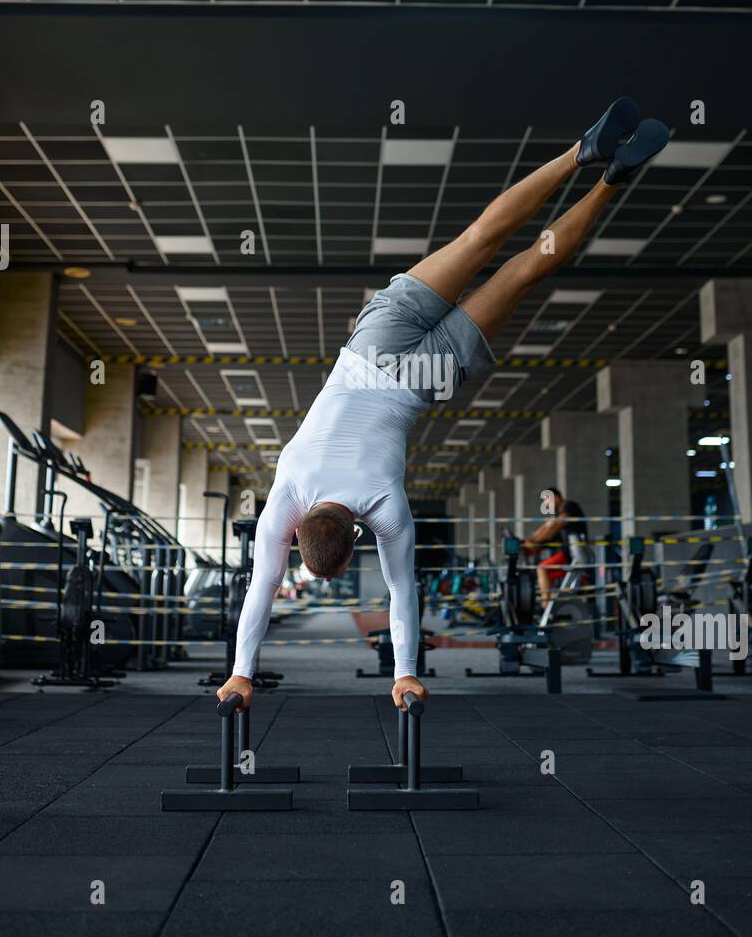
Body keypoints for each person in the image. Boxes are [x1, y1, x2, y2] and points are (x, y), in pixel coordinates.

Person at [218, 100, 669, 711]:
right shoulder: (287, 493)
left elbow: (400, 591)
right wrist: (239, 670)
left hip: (424, 379)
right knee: (481, 238)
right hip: (370, 348)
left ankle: (612, 179)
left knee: (520, 272)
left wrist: (404, 672)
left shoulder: (386, 509)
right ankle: (581, 151)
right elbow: (260, 588)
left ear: (357, 536)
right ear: (298, 529)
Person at [522, 488, 589, 609]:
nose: (546, 504)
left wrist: (533, 541)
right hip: (569, 554)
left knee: (542, 568)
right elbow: (547, 532)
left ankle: (545, 606)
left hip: (576, 554)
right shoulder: (558, 515)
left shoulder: (569, 507)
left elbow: (552, 528)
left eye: (547, 500)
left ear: (556, 497)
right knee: (546, 574)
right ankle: (550, 606)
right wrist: (531, 543)